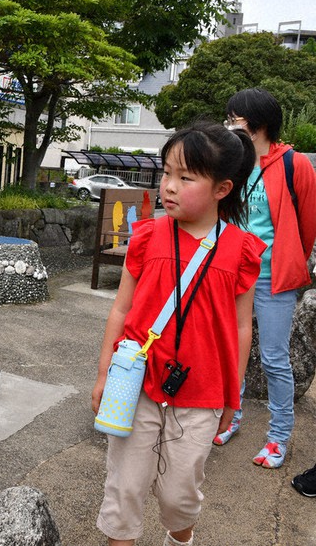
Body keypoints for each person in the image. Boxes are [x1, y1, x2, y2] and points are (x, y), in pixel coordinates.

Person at [91, 121, 265, 546]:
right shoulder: (148, 235)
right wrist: (102, 375)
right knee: (125, 489)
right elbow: (121, 309)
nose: (169, 186)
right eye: (167, 173)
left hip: (203, 393)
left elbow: (243, 327)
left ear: (222, 189)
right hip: (137, 383)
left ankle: (181, 538)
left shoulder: (240, 249)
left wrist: (233, 394)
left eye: (185, 177)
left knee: (179, 495)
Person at [213, 88, 316, 470]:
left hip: (275, 279)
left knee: (274, 360)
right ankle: (231, 417)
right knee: (229, 350)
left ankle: (278, 438)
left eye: (235, 117)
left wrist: (289, 261)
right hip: (232, 274)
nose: (229, 123)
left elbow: (308, 226)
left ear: (258, 123)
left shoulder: (295, 164)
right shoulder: (232, 160)